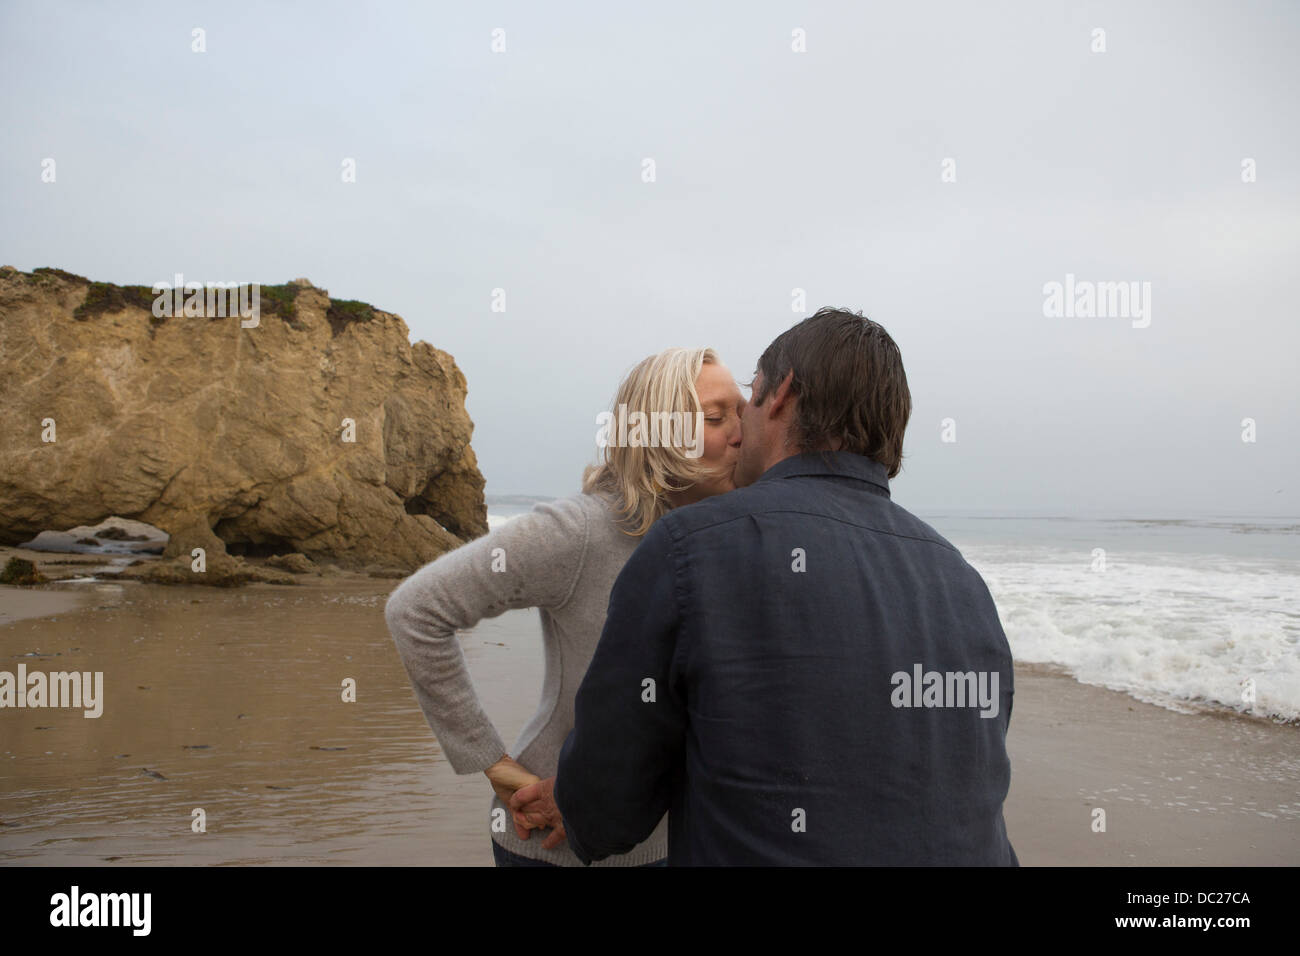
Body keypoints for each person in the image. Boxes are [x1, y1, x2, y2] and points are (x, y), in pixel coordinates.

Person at [512, 307, 1018, 865]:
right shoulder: (965, 582)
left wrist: (573, 798)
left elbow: (607, 810)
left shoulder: (690, 549)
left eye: (749, 399)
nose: (739, 427)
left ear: (780, 396)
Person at [384, 347, 745, 866]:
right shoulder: (578, 532)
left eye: (743, 411)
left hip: (678, 843)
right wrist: (494, 765)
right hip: (553, 842)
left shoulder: (729, 536)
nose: (740, 431)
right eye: (715, 418)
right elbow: (417, 611)